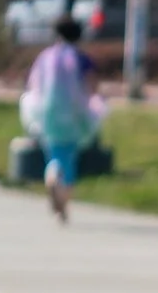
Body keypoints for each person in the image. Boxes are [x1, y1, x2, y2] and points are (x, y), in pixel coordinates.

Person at [21, 17, 100, 225]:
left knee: (54, 152)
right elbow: (91, 86)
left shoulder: (45, 57)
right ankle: (63, 202)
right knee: (70, 159)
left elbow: (33, 84)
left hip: (47, 115)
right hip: (74, 117)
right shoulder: (80, 58)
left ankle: (52, 175)